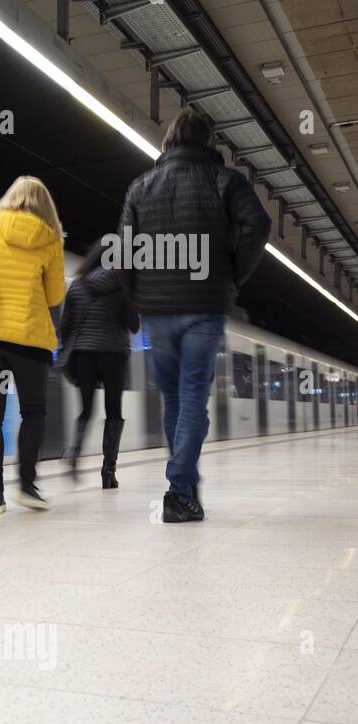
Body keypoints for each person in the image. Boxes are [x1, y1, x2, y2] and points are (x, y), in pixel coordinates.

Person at [118, 109, 271, 522]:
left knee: (175, 400)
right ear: (207, 141)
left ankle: (183, 487)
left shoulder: (140, 186)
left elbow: (125, 250)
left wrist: (136, 297)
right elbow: (258, 224)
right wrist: (232, 275)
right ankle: (180, 490)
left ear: (168, 140)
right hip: (204, 304)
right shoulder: (226, 180)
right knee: (191, 400)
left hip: (157, 310)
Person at [0, 176, 66, 514]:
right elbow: (54, 296)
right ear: (44, 205)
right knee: (33, 412)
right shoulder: (50, 239)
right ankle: (26, 486)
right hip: (30, 341)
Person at [57, 237, 140, 488]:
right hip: (113, 353)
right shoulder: (122, 284)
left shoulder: (77, 284)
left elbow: (65, 326)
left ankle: (74, 453)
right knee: (113, 411)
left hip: (83, 353)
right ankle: (108, 473)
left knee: (86, 409)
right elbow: (134, 325)